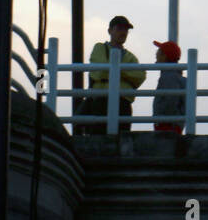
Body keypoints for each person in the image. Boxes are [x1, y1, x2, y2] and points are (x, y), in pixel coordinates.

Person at [77, 15, 146, 144]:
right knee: (97, 139)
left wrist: (114, 69)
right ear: (110, 31)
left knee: (122, 141)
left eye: (126, 30)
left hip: (123, 103)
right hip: (101, 100)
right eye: (119, 28)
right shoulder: (100, 48)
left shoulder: (131, 56)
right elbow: (100, 70)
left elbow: (140, 77)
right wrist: (125, 72)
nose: (123, 32)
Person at [152, 39, 186, 134]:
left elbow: (170, 101)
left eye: (158, 52)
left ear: (164, 56)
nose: (156, 54)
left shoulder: (169, 76)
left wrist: (164, 121)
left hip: (167, 127)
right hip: (172, 126)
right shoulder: (175, 76)